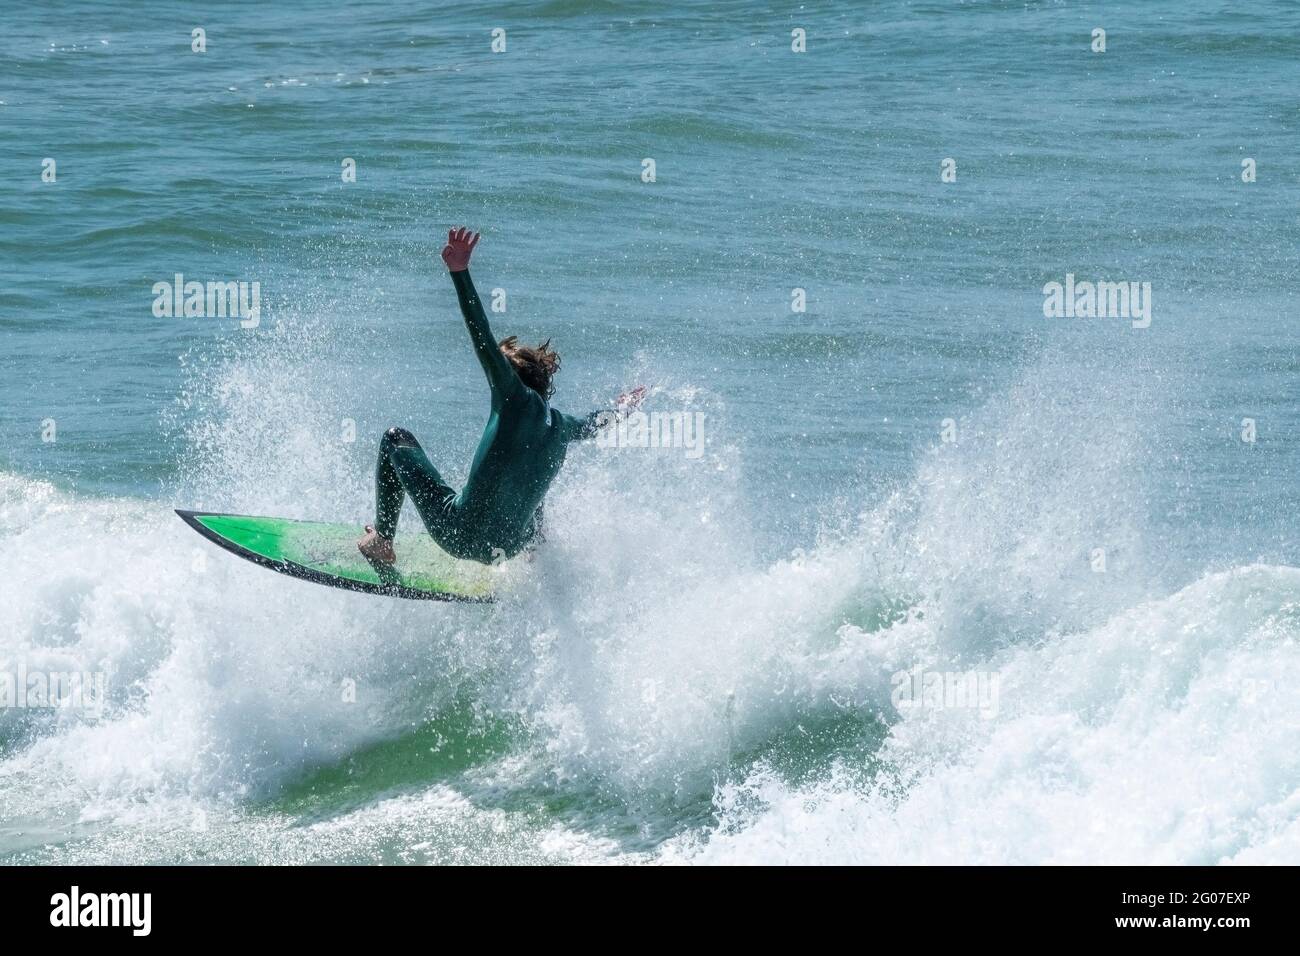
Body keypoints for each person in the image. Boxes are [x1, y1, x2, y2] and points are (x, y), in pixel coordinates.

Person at [358, 227, 643, 567]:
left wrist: (460, 273)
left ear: (512, 377)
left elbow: (480, 333)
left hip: (460, 535)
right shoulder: (562, 427)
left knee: (395, 439)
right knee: (531, 478)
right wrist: (623, 409)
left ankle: (382, 540)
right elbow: (596, 424)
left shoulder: (513, 397)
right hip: (509, 549)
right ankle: (538, 560)